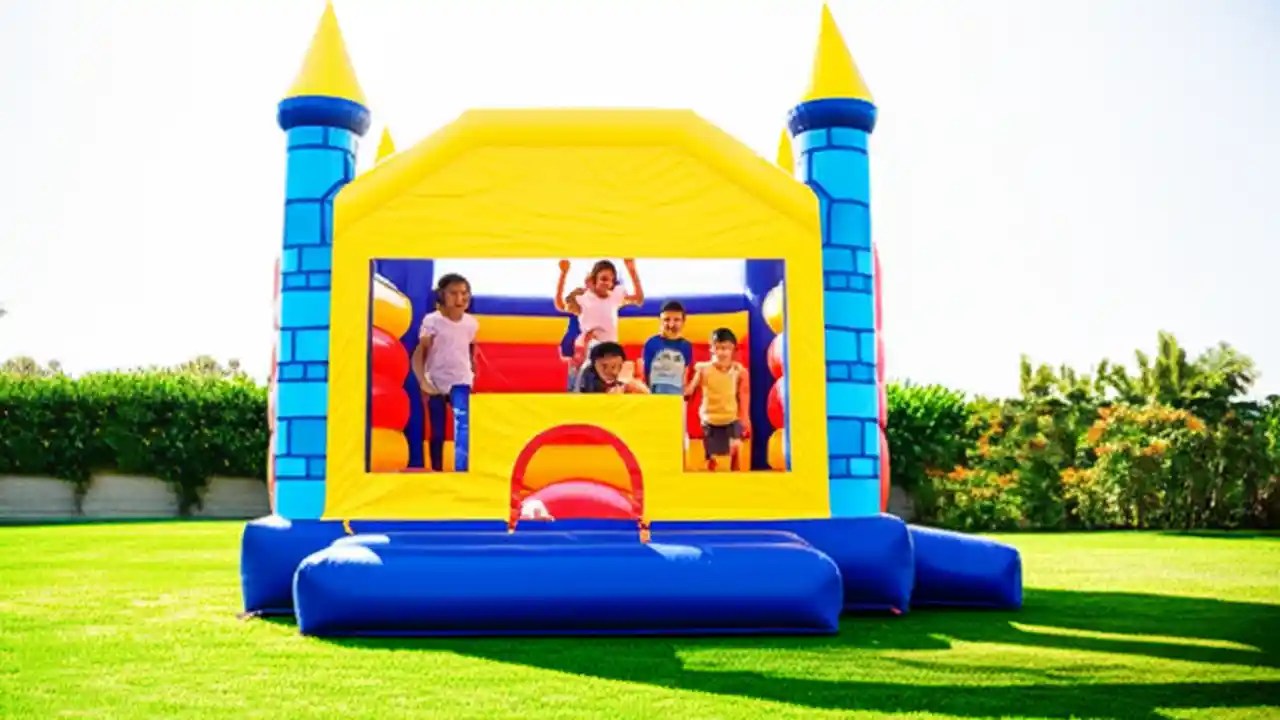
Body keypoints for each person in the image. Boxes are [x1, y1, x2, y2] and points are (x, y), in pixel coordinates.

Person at [411, 273, 479, 471]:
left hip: (461, 381)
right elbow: (419, 353)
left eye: (464, 293)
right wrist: (423, 380)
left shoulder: (471, 323)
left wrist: (472, 372)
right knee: (437, 431)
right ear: (442, 295)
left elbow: (469, 349)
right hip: (436, 382)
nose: (460, 299)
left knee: (463, 425)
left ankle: (461, 470)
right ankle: (437, 469)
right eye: (453, 293)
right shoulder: (433, 321)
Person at [685, 328, 751, 470]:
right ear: (711, 349)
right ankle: (710, 463)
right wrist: (683, 387)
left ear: (733, 349)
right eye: (717, 348)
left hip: (731, 418)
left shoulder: (739, 371)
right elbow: (690, 390)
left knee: (736, 447)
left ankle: (736, 475)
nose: (721, 352)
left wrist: (745, 417)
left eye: (725, 348)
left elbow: (743, 394)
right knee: (717, 456)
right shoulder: (703, 369)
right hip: (710, 420)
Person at [562, 259, 645, 346]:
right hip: (590, 348)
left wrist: (632, 270)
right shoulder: (584, 298)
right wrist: (563, 274)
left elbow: (639, 299)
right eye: (604, 279)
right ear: (594, 280)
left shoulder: (615, 296)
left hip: (609, 348)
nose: (607, 283)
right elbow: (561, 305)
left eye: (611, 280)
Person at [638, 300, 694, 395]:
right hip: (655, 396)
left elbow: (685, 373)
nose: (671, 324)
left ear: (683, 322)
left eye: (676, 320)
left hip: (676, 397)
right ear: (660, 321)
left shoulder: (686, 346)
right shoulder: (652, 343)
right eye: (667, 320)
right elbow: (645, 372)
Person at [576, 341, 649, 394]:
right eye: (604, 366)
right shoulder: (589, 374)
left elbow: (647, 394)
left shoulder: (627, 373)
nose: (609, 372)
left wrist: (628, 381)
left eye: (614, 367)